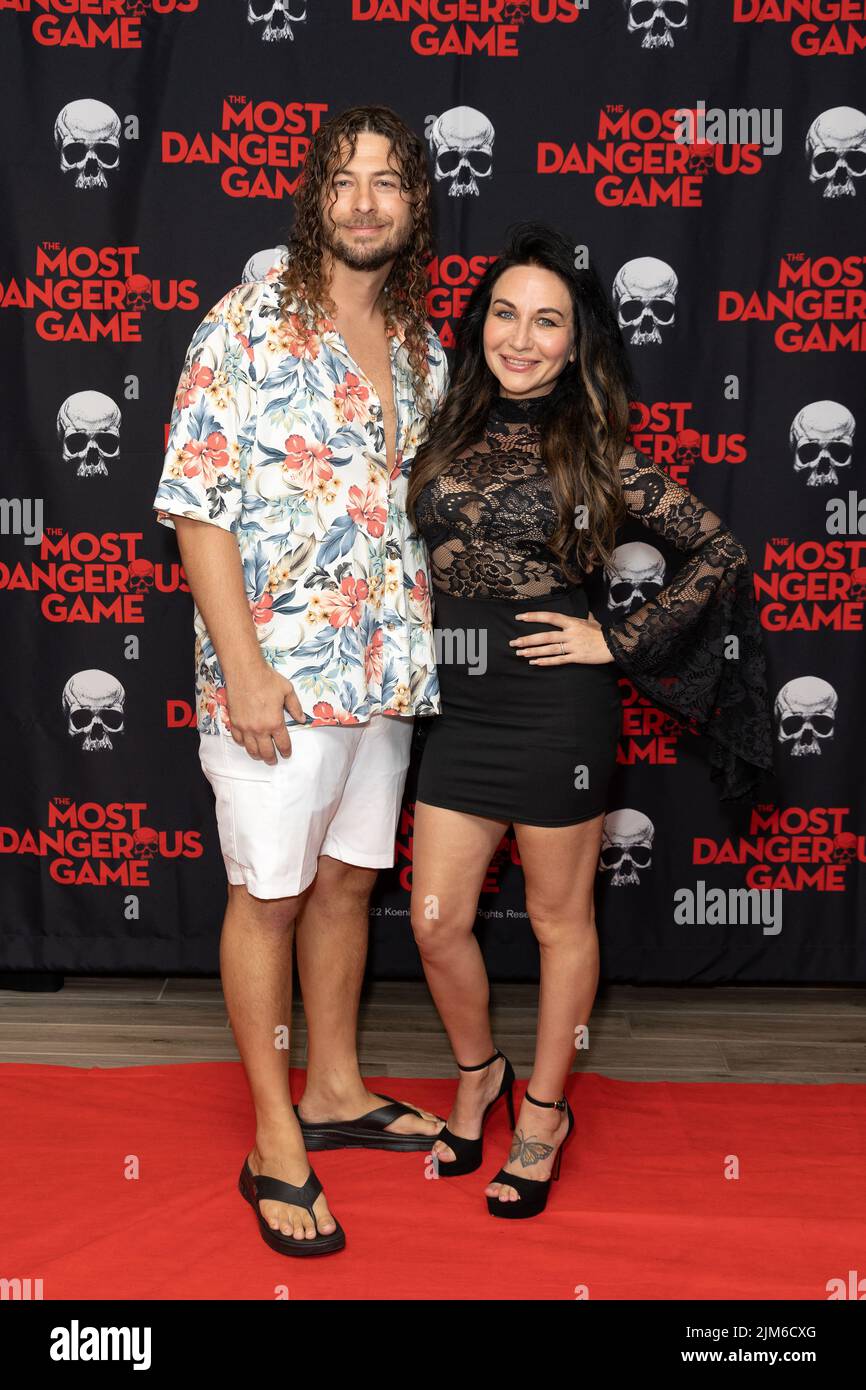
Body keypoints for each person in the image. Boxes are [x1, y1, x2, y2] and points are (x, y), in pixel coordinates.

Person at [406, 222, 774, 1220]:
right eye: (503, 313)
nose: (518, 338)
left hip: (553, 709)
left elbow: (716, 550)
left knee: (556, 919)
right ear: (478, 321)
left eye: (545, 322)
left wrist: (614, 642)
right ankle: (477, 1070)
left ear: (575, 343)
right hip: (458, 704)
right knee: (435, 921)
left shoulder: (596, 448)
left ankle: (540, 1112)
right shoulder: (437, 426)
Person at [151, 105, 450, 1257]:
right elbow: (194, 504)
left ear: (415, 206)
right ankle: (272, 1132)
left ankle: (331, 1086)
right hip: (272, 677)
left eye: (387, 181)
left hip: (379, 673)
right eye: (344, 180)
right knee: (264, 896)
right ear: (312, 199)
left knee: (342, 887)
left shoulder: (423, 343)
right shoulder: (245, 324)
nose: (365, 201)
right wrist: (243, 668)